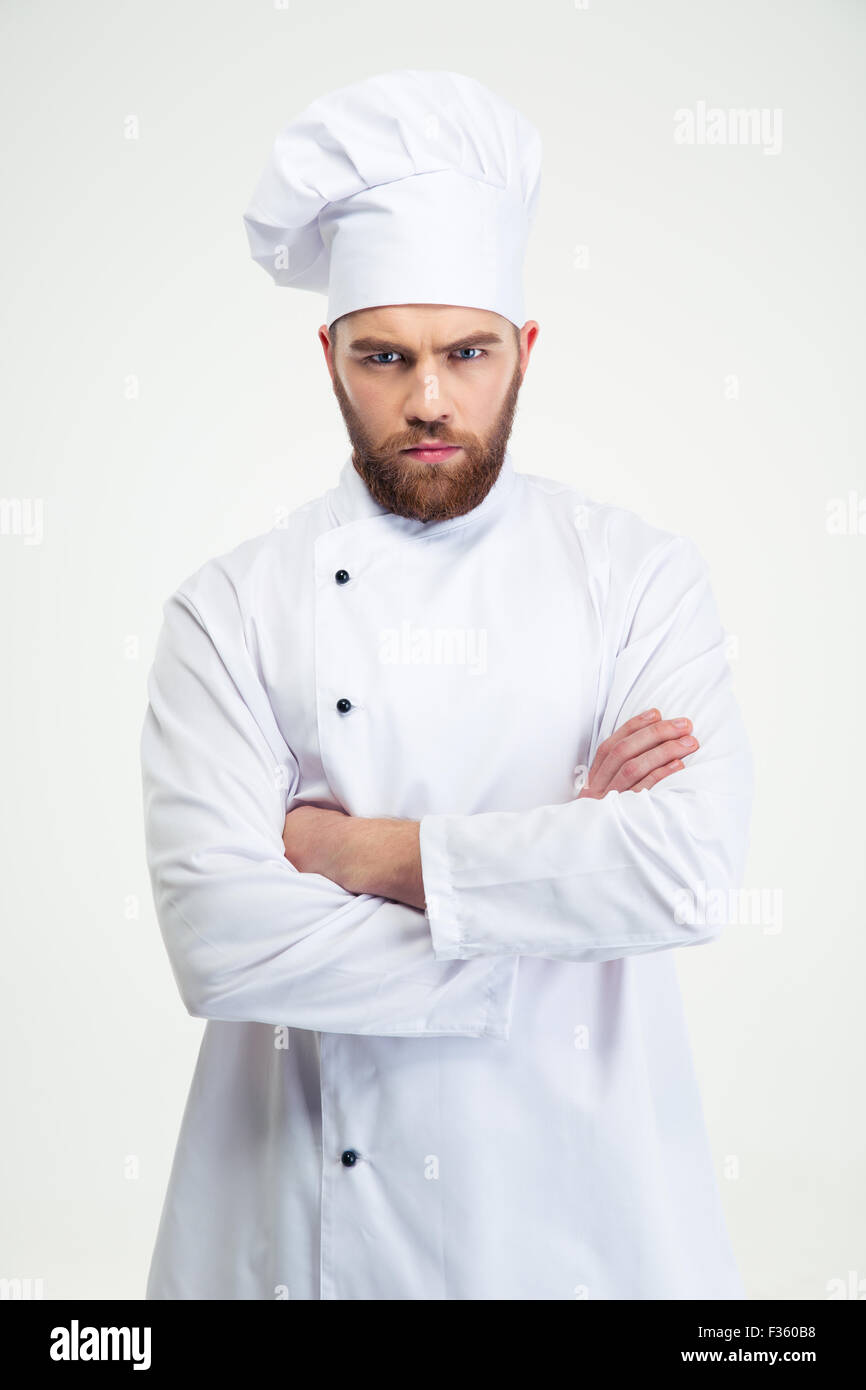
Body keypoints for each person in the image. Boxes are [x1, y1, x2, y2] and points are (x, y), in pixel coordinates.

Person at [140, 69, 754, 1300]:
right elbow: (222, 944)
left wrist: (354, 852)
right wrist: (562, 869)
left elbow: (684, 870)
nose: (428, 400)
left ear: (523, 350)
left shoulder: (637, 578)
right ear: (328, 356)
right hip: (303, 1213)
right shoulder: (232, 607)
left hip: (582, 1212)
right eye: (385, 357)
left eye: (466, 353)